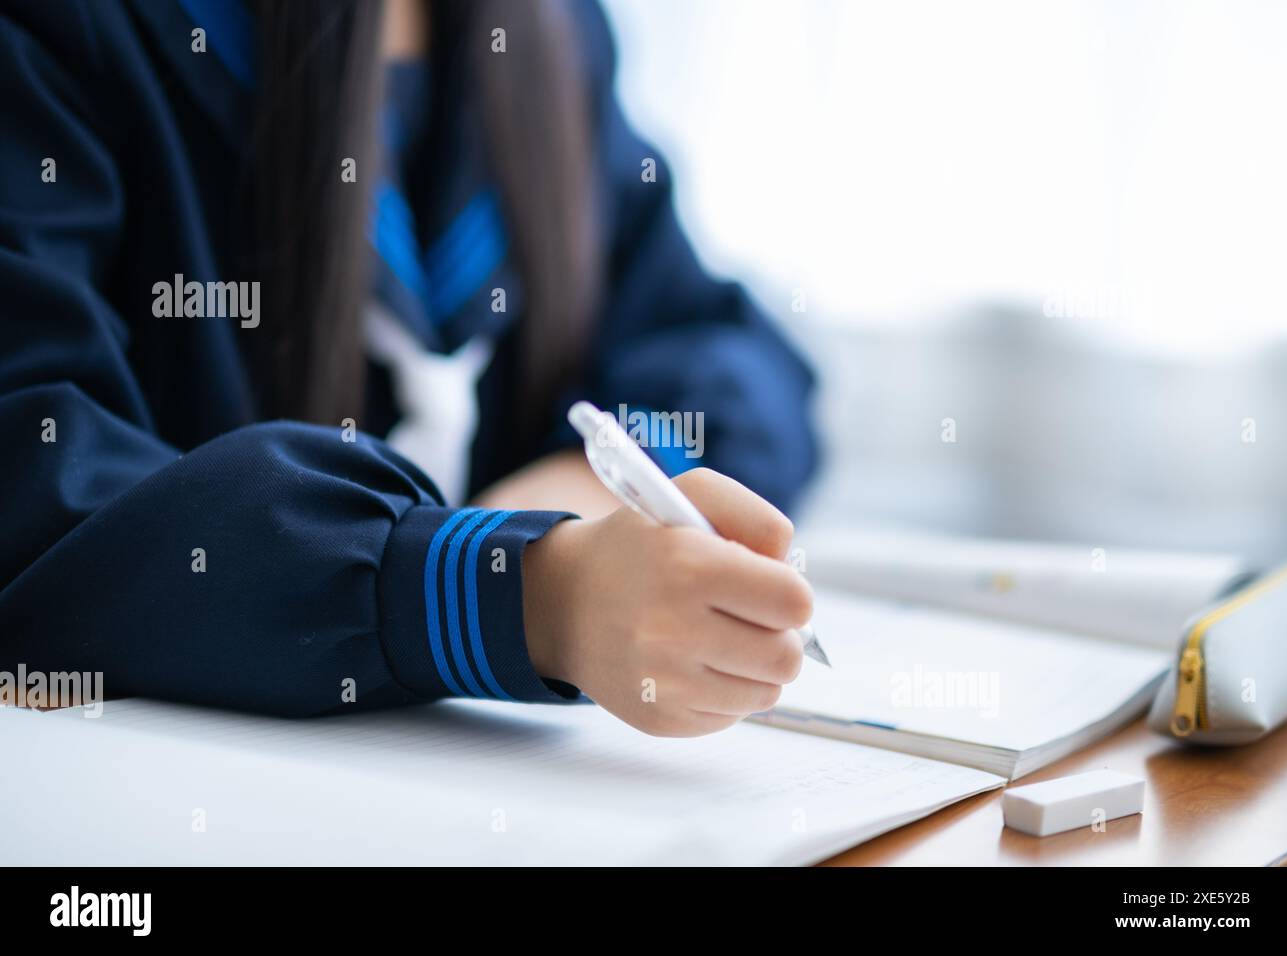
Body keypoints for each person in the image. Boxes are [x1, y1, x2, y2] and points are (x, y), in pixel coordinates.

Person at [0, 0, 818, 736]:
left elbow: (730, 354)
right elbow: (36, 474)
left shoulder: (556, 35)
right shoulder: (72, 33)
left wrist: (587, 481)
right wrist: (527, 593)